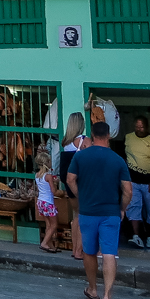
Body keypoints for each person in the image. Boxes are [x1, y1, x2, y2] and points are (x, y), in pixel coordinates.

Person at [67, 121, 132, 299]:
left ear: (92, 136)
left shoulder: (81, 157)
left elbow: (70, 179)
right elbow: (128, 191)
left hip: (88, 211)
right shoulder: (118, 159)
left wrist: (81, 195)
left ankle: (93, 288)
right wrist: (122, 209)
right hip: (110, 212)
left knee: (89, 251)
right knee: (109, 252)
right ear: (109, 136)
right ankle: (107, 295)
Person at [124, 114, 150, 250]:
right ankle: (136, 236)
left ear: (147, 127)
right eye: (137, 126)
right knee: (133, 207)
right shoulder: (128, 138)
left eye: (141, 127)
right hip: (133, 180)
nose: (139, 129)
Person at [60, 112, 90, 261]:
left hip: (68, 183)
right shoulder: (84, 141)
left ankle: (74, 249)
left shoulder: (66, 142)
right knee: (82, 216)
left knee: (76, 216)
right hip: (80, 183)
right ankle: (79, 250)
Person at [34, 149, 60, 252]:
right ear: (47, 163)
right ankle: (44, 243)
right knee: (54, 225)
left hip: (40, 201)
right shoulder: (48, 176)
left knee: (48, 224)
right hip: (48, 202)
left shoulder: (37, 175)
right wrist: (55, 183)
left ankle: (50, 245)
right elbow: (53, 191)